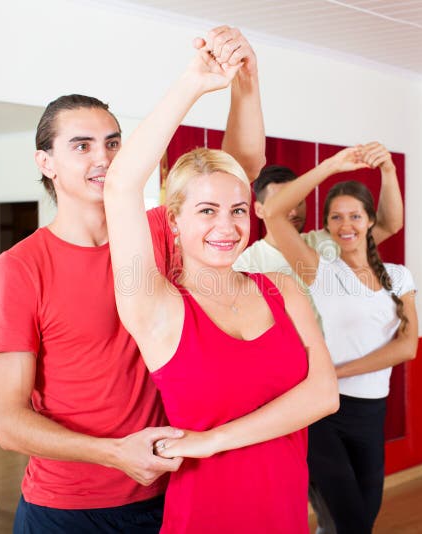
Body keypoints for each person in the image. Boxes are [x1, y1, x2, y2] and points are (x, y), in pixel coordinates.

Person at [0, 26, 269, 533]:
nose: (104, 158)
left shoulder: (157, 234)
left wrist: (246, 80)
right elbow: (8, 422)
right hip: (68, 509)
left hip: (167, 492)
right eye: (82, 145)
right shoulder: (19, 268)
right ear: (45, 162)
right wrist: (114, 453)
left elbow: (237, 171)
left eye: (113, 143)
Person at [103, 38, 338, 534]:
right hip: (204, 518)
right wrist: (193, 83)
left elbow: (324, 395)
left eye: (237, 210)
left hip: (285, 518)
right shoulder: (157, 308)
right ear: (173, 220)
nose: (226, 227)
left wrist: (212, 441)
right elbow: (121, 185)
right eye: (206, 211)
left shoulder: (281, 289)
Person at [233, 148, 403, 534]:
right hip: (292, 397)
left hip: (344, 391)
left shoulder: (325, 244)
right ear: (259, 209)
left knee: (353, 515)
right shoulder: (248, 264)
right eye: (284, 201)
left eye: (299, 200)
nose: (293, 210)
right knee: (333, 512)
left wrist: (388, 170)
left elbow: (389, 223)